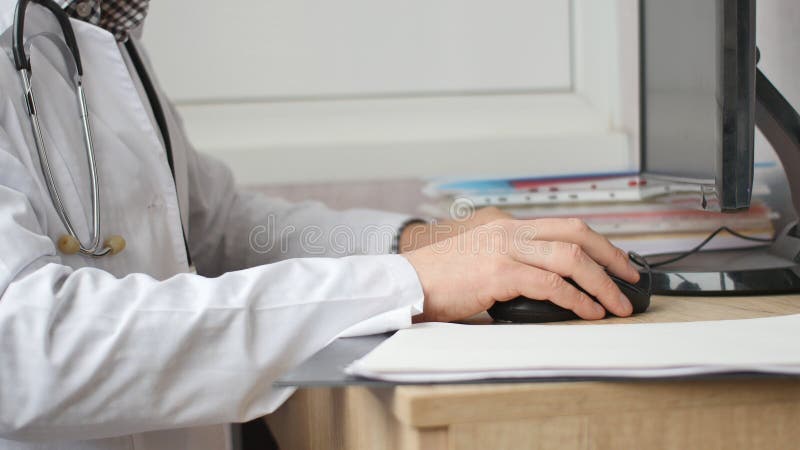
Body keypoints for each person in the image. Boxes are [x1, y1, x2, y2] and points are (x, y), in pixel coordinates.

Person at [0, 1, 640, 449]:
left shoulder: (94, 31)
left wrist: (421, 242)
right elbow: (27, 349)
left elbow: (216, 227)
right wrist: (408, 282)